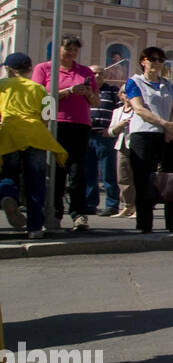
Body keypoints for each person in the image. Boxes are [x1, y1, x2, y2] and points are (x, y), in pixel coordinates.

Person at [32, 35, 98, 231]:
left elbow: (96, 102)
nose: (71, 53)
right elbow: (40, 97)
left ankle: (78, 214)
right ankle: (54, 214)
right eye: (67, 49)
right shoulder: (44, 69)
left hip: (80, 125)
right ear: (57, 49)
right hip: (54, 124)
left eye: (75, 50)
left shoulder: (85, 71)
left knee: (78, 173)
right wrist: (67, 91)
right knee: (56, 172)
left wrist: (87, 93)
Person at [1, 52, 70, 239]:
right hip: (36, 135)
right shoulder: (40, 89)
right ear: (29, 69)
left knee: (8, 173)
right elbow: (49, 116)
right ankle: (35, 228)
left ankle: (9, 196)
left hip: (10, 134)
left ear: (8, 69)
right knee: (36, 180)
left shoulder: (2, 85)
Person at [124, 46, 173, 234]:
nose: (157, 63)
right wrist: (163, 123)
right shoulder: (134, 82)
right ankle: (145, 223)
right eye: (153, 59)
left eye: (160, 60)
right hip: (144, 134)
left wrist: (171, 125)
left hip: (167, 135)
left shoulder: (167, 84)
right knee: (144, 178)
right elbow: (139, 108)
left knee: (171, 177)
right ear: (143, 61)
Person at [86, 64, 120, 217]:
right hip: (87, 136)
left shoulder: (112, 91)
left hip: (105, 137)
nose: (97, 76)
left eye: (100, 74)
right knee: (89, 172)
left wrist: (111, 129)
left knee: (108, 172)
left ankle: (112, 204)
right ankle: (90, 204)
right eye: (94, 74)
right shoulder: (85, 91)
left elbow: (119, 112)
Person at [109, 90, 135, 218]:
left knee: (137, 177)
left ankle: (138, 207)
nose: (127, 95)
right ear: (120, 95)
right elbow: (111, 131)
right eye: (125, 92)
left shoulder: (139, 110)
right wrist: (120, 124)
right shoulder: (117, 112)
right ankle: (128, 205)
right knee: (123, 177)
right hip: (121, 146)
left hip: (135, 146)